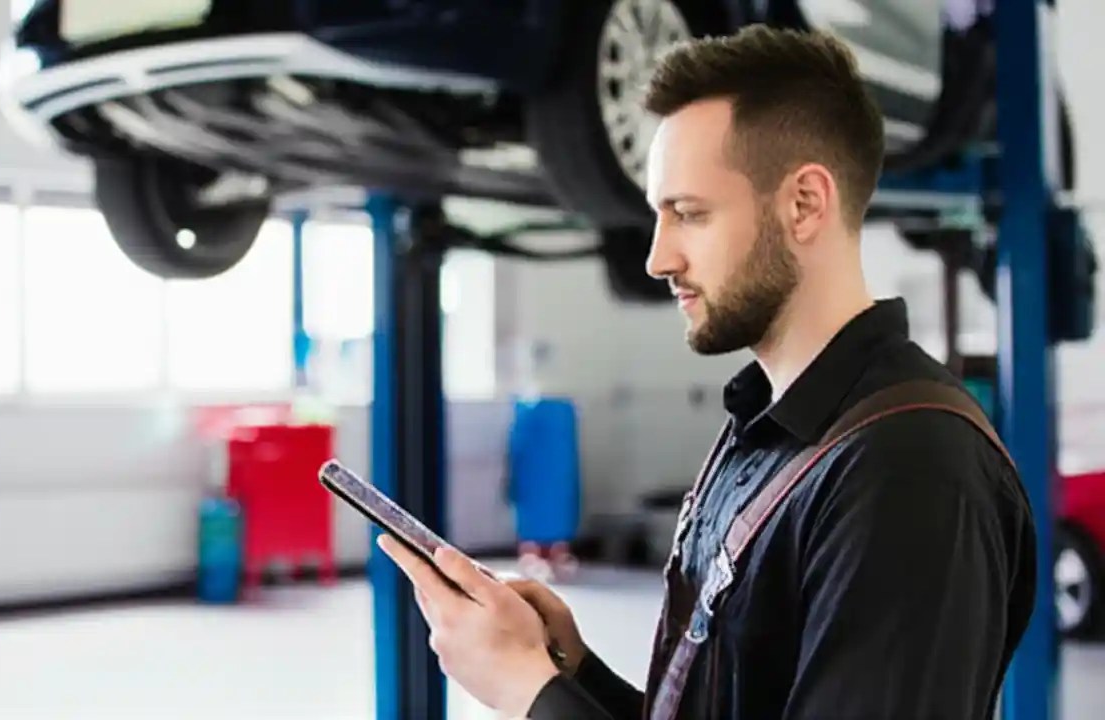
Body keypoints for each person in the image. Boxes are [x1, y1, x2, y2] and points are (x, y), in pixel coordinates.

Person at [377, 24, 1036, 720]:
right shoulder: (767, 432)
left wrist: (529, 694)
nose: (658, 258)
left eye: (689, 214)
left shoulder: (909, 470)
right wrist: (571, 672)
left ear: (804, 204)